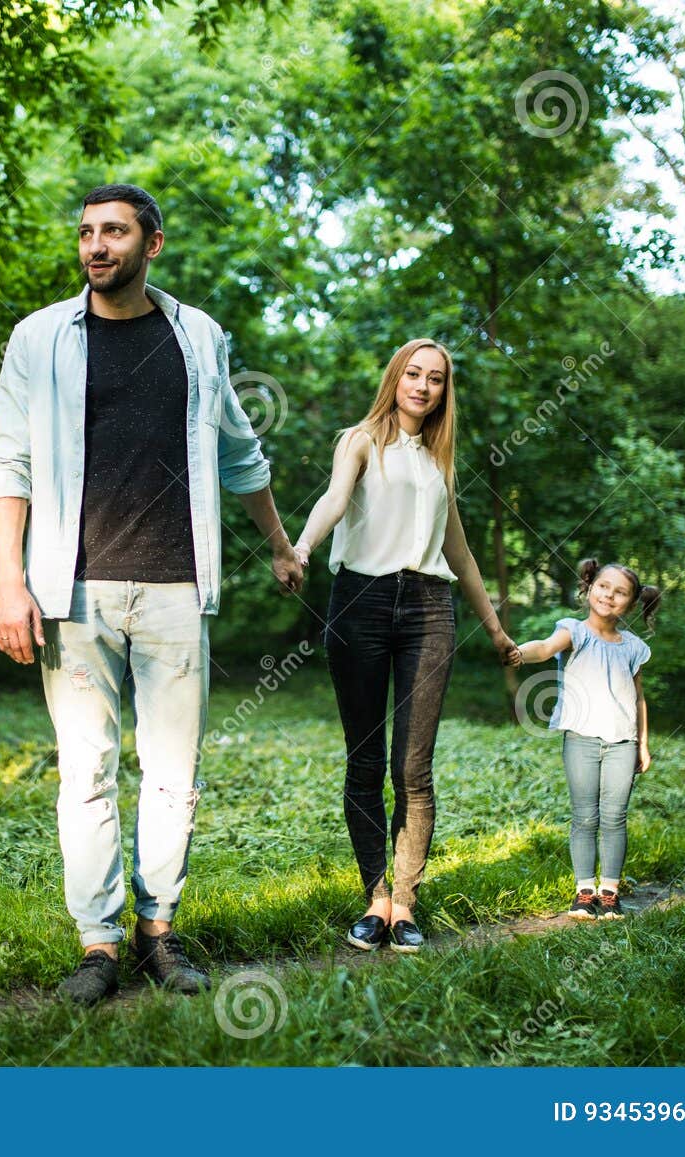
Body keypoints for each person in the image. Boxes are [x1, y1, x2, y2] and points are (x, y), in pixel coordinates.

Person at [0, 183, 304, 1005]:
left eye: (115, 232)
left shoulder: (197, 336)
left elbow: (241, 454)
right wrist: (9, 581)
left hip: (174, 588)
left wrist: (278, 542)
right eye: (87, 232)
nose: (96, 245)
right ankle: (98, 944)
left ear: (151, 243)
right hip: (73, 590)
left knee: (172, 773)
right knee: (85, 772)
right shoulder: (38, 337)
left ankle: (158, 931)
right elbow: (8, 462)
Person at [292, 339, 517, 954]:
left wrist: (494, 628)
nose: (422, 385)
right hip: (359, 603)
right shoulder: (360, 440)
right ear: (395, 378)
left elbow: (460, 552)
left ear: (446, 391)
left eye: (435, 378)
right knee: (364, 763)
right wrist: (303, 549)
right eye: (413, 374)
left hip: (427, 611)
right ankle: (375, 898)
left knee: (413, 770)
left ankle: (406, 904)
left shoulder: (439, 462)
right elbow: (334, 500)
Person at [509, 558, 659, 919]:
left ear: (631, 603)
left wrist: (643, 744)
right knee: (584, 817)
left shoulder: (633, 646)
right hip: (581, 740)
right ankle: (583, 892)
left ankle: (609, 894)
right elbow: (544, 648)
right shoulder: (573, 631)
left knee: (614, 816)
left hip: (622, 743)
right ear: (590, 587)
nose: (610, 595)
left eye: (620, 592)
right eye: (604, 586)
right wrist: (516, 652)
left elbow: (639, 698)